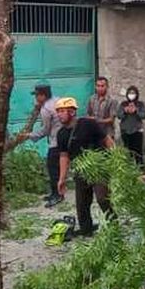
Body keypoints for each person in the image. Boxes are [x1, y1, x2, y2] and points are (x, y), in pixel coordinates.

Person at [55, 97, 115, 237]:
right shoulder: (61, 134)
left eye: (63, 111)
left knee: (102, 198)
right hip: (81, 170)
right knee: (82, 204)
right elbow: (64, 156)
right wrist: (61, 179)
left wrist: (116, 158)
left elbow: (106, 139)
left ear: (72, 112)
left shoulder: (88, 123)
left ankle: (114, 224)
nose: (59, 114)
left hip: (99, 166)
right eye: (58, 111)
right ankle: (86, 231)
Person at [16, 83, 63, 207]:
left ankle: (57, 195)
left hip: (56, 141)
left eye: (37, 95)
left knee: (53, 169)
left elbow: (45, 130)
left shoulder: (46, 109)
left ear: (43, 95)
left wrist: (29, 135)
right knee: (58, 168)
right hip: (65, 138)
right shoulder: (57, 100)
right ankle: (55, 193)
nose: (36, 98)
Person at [119, 86, 145, 168]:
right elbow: (118, 115)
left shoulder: (140, 104)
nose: (131, 95)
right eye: (130, 93)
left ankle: (140, 168)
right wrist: (125, 111)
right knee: (127, 150)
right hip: (125, 130)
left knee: (138, 151)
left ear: (136, 94)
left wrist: (136, 111)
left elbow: (144, 115)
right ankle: (129, 168)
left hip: (137, 130)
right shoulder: (123, 104)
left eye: (133, 93)